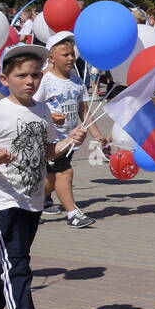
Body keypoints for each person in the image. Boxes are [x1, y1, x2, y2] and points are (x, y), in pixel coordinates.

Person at [0, 42, 86, 309]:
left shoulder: (39, 110)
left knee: (4, 267)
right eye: (22, 75)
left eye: (35, 75)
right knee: (18, 266)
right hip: (3, 201)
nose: (30, 81)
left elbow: (49, 151)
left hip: (32, 200)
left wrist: (70, 140)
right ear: (5, 78)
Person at [36, 32, 106, 229]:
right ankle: (73, 213)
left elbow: (84, 110)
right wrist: (50, 116)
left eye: (72, 54)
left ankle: (28, 206)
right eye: (64, 54)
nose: (70, 58)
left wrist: (97, 135)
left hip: (70, 141)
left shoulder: (76, 81)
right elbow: (33, 107)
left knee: (51, 178)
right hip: (50, 140)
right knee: (65, 173)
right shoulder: (45, 81)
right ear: (51, 58)